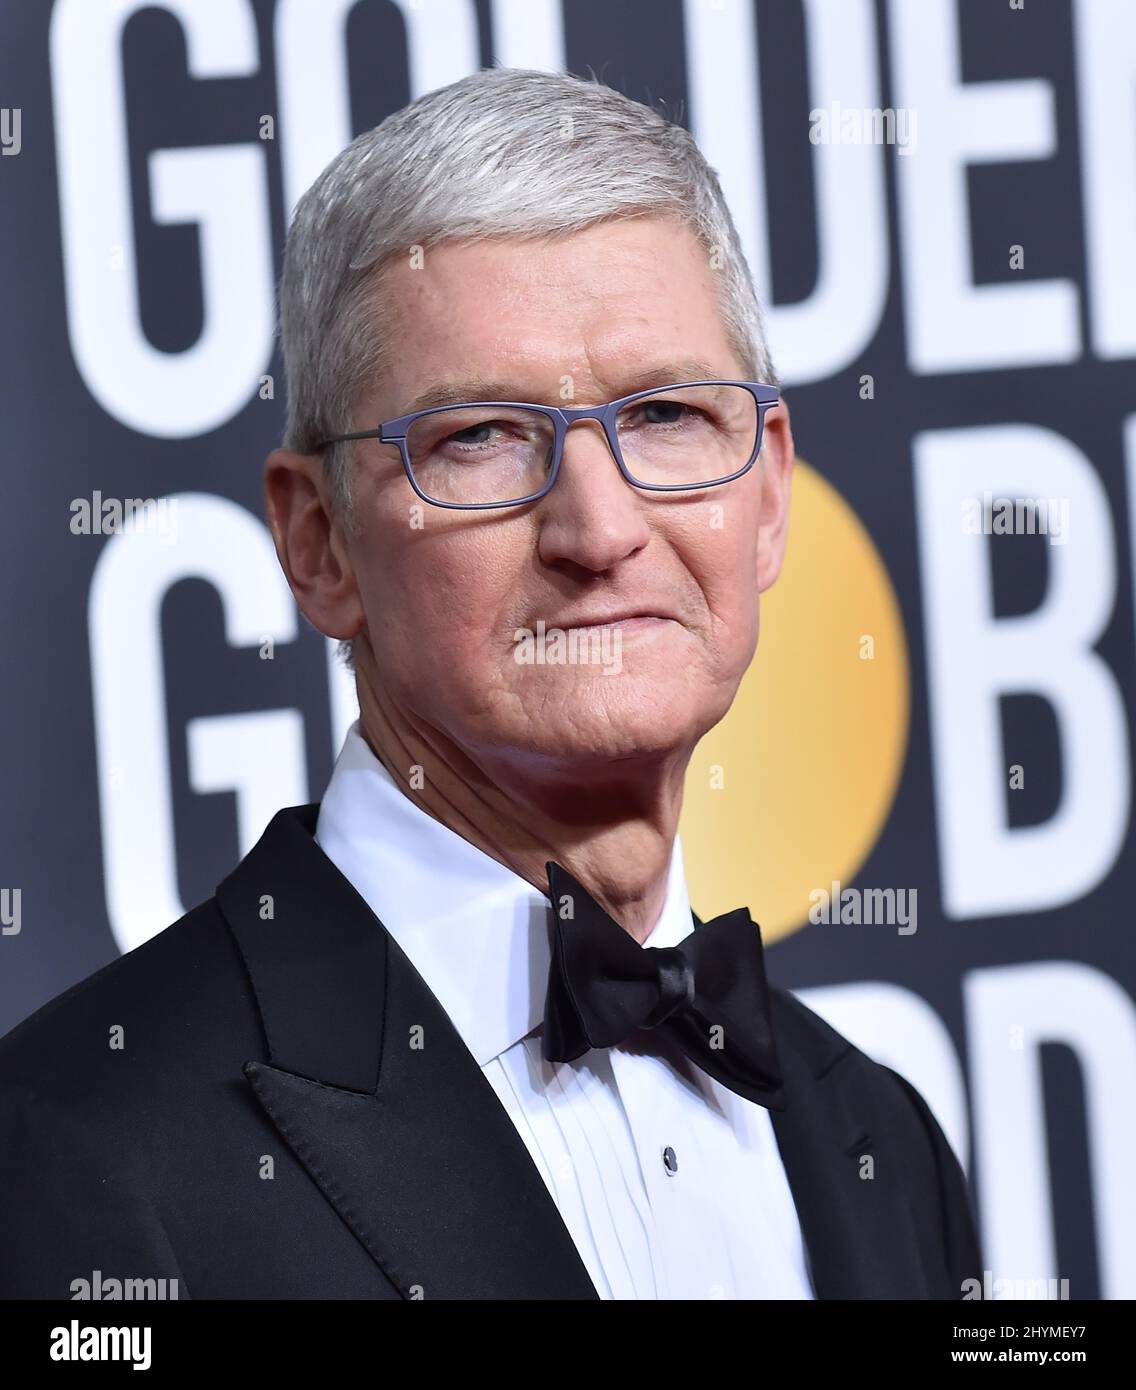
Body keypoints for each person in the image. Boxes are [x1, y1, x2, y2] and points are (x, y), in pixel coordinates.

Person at [0, 67, 981, 1300]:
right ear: (318, 542)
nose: (600, 529)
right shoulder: (73, 1154)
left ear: (768, 492)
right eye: (480, 438)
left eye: (665, 414)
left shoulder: (879, 1144)